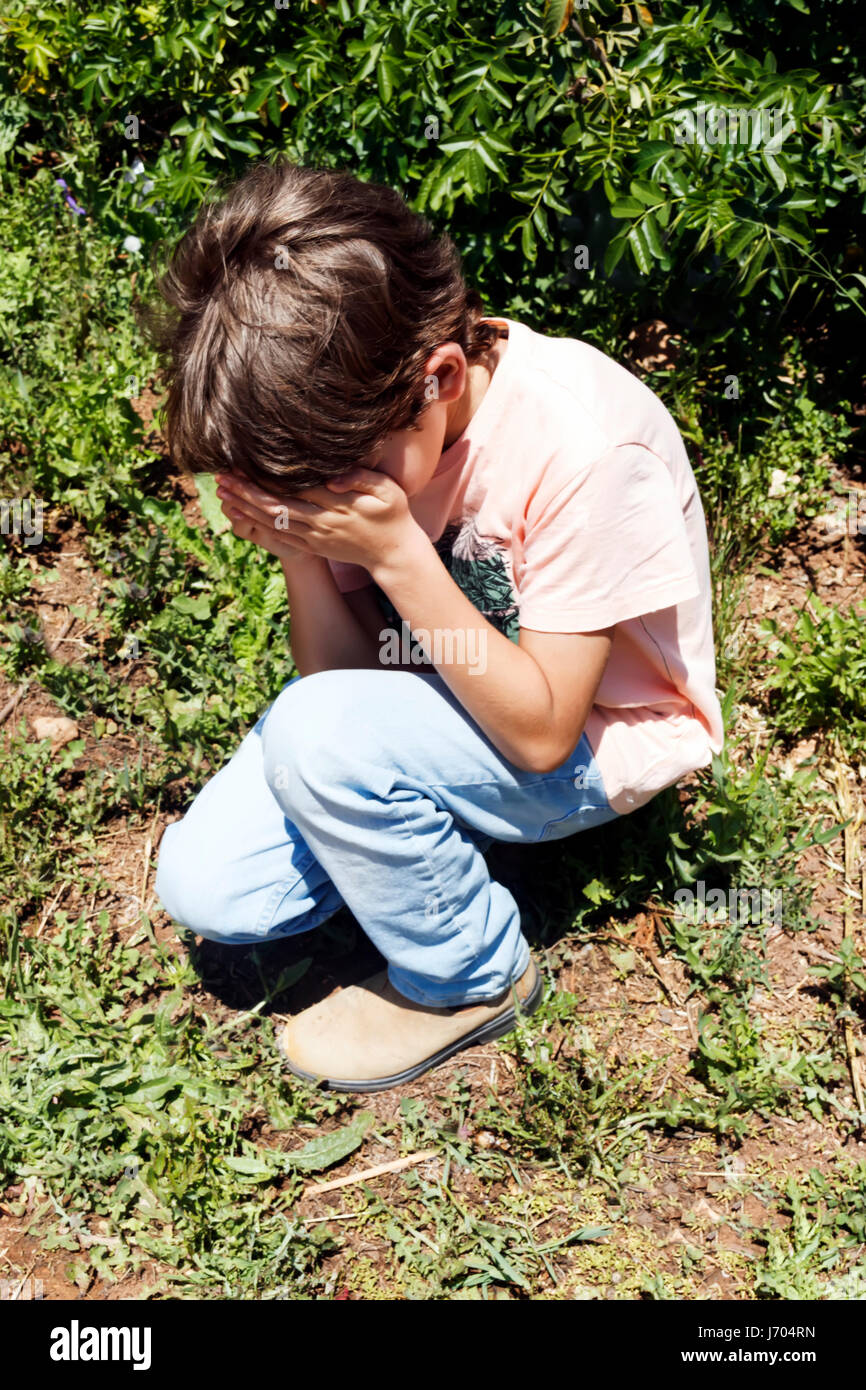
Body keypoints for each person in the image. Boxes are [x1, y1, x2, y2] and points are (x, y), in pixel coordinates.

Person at [153, 157, 723, 1093]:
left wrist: (400, 559)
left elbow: (541, 733)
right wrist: (304, 549)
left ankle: (468, 974)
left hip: (585, 739)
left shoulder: (583, 446)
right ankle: (414, 823)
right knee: (212, 887)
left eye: (328, 482)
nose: (319, 499)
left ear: (440, 376)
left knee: (321, 739)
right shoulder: (355, 441)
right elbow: (334, 682)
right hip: (426, 712)